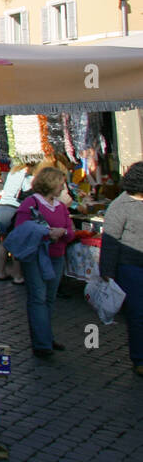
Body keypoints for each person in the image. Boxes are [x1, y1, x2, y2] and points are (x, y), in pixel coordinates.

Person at [10, 166, 75, 359]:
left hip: (56, 256)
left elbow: (70, 231)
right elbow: (21, 229)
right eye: (60, 185)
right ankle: (41, 342)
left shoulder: (61, 206)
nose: (63, 189)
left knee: (49, 298)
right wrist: (46, 232)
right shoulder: (31, 203)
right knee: (38, 297)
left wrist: (62, 232)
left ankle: (46, 336)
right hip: (37, 256)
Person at [99, 161, 143, 377]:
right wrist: (106, 271)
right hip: (131, 268)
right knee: (137, 314)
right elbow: (110, 241)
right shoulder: (120, 205)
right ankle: (139, 358)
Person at [0, 157, 37, 283]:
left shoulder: (12, 173)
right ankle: (17, 276)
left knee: (4, 242)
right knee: (16, 242)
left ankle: (2, 272)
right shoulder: (26, 176)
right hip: (14, 209)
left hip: (2, 208)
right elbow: (28, 193)